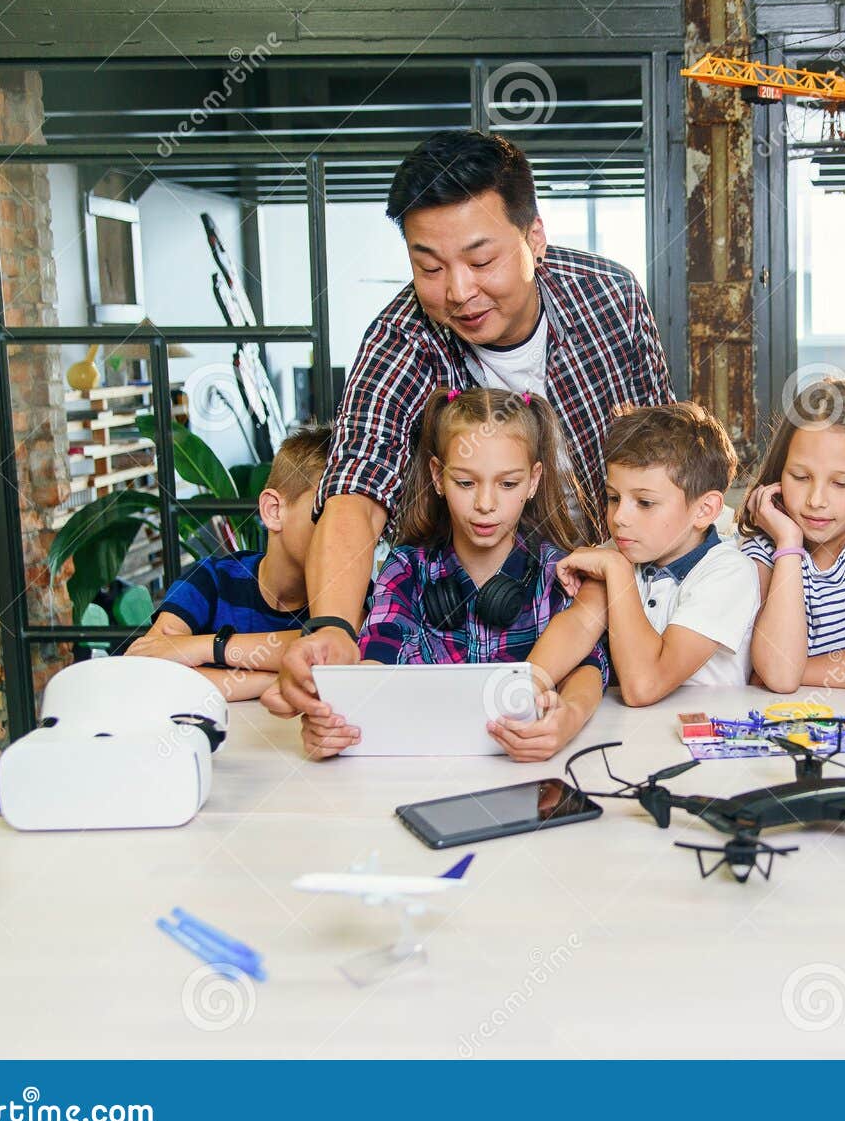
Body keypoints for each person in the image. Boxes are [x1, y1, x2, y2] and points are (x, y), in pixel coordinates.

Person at [274, 129, 673, 719]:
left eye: (481, 261)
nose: (459, 292)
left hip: (623, 609)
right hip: (469, 628)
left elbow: (665, 460)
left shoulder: (609, 299)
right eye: (429, 267)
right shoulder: (399, 339)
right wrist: (333, 625)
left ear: (534, 238)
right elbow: (356, 491)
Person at [265, 389, 609, 762]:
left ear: (533, 480)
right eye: (465, 482)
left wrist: (570, 717)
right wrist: (335, 718)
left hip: (525, 770)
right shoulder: (406, 570)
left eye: (508, 484)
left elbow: (587, 665)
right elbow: (377, 655)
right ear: (438, 476)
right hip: (423, 770)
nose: (485, 504)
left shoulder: (557, 572)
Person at [549, 402, 760, 707]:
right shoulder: (618, 552)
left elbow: (643, 687)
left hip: (707, 730)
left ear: (704, 510)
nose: (619, 517)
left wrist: (617, 570)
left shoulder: (729, 572)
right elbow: (577, 627)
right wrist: (524, 686)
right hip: (625, 729)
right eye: (613, 497)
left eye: (645, 503)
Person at [127, 425, 331, 700]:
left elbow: (333, 654)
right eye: (325, 511)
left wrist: (206, 648)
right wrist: (278, 681)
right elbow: (150, 669)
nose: (345, 532)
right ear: (273, 511)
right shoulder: (211, 580)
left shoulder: (355, 594)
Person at [737, 378, 845, 693]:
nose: (816, 500)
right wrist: (788, 545)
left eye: (841, 483)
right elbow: (780, 676)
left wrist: (799, 669)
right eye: (800, 477)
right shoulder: (762, 552)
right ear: (780, 471)